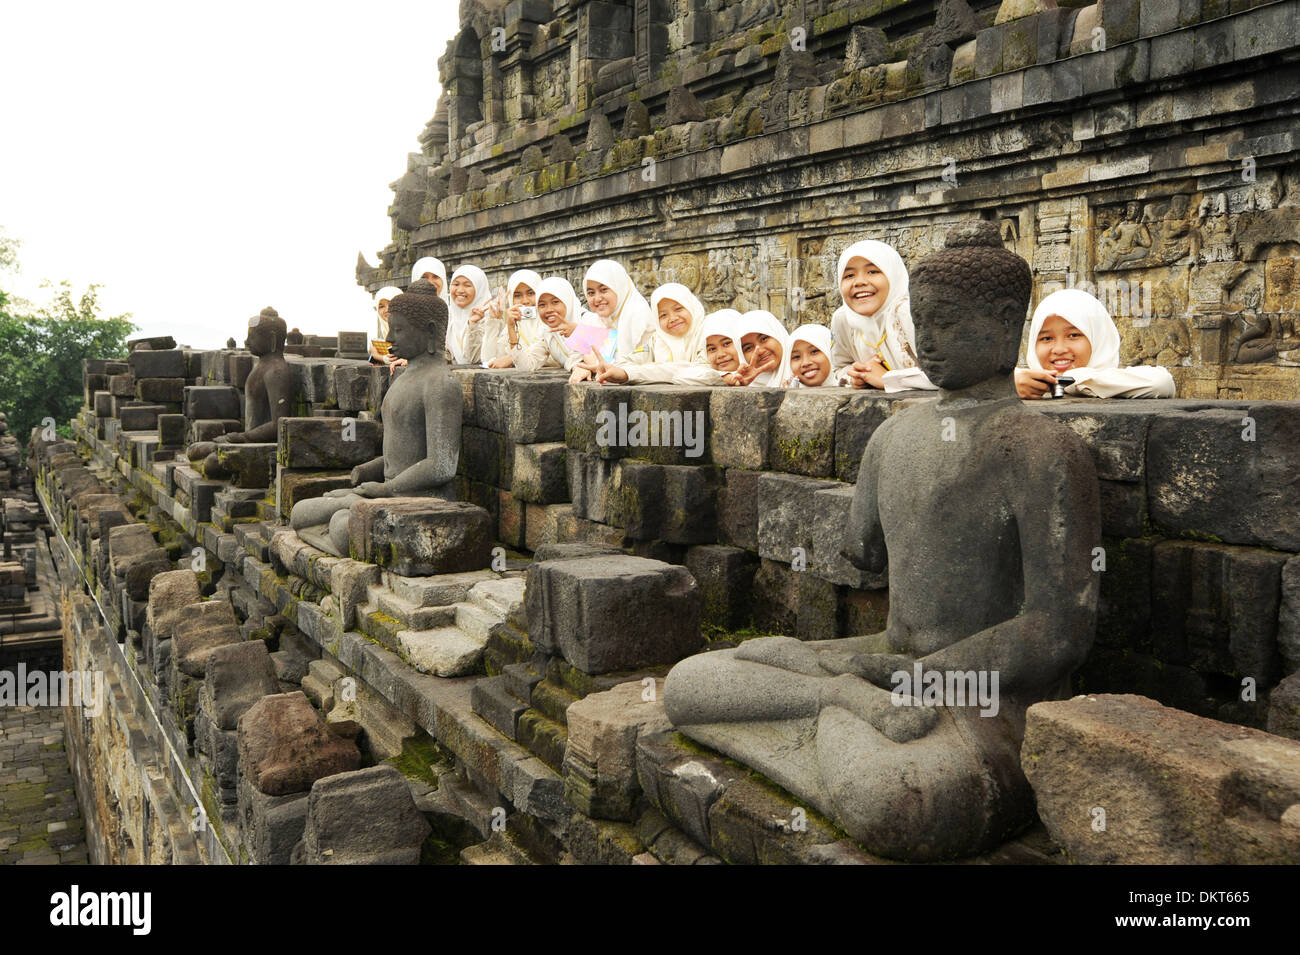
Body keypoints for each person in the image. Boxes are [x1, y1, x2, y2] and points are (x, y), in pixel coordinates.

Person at [289, 280, 461, 555]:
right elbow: (404, 449)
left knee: (340, 524)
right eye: (390, 327)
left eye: (399, 329)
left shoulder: (441, 384)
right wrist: (370, 469)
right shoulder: (404, 377)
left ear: (429, 331)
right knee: (302, 511)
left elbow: (441, 465)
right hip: (393, 491)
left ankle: (340, 531)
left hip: (426, 498)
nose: (390, 337)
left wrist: (387, 488)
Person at [1014, 288, 1176, 399]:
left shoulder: (1112, 382)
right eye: (1046, 338)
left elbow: (1161, 383)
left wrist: (1072, 381)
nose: (1059, 349)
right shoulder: (1021, 383)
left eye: (1073, 335)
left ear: (1099, 337)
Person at [830, 240, 935, 392]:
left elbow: (948, 376)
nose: (859, 282)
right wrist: (859, 375)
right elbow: (839, 370)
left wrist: (888, 379)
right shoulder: (843, 319)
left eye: (873, 272)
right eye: (849, 275)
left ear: (893, 275)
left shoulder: (909, 312)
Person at [592, 288, 732, 386]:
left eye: (678, 309)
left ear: (691, 306)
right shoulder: (656, 340)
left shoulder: (708, 332)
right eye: (663, 315)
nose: (672, 318)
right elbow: (625, 363)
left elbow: (696, 370)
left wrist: (641, 370)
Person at [568, 259, 655, 381]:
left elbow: (641, 361)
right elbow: (573, 356)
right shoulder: (591, 320)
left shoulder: (638, 316)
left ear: (618, 287)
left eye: (604, 290)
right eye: (591, 293)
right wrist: (579, 367)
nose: (597, 299)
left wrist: (595, 365)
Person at [512, 276, 602, 372]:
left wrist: (579, 332)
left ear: (567, 301)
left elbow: (613, 360)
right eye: (542, 305)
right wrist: (511, 328)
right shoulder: (548, 333)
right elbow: (525, 367)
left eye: (555, 302)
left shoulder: (592, 321)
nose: (549, 310)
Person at [484, 269, 542, 368]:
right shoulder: (513, 325)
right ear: (511, 299)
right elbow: (488, 359)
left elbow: (554, 354)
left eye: (531, 293)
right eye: (518, 295)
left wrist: (512, 358)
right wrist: (493, 321)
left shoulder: (550, 322)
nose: (525, 301)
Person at [445, 264, 493, 365]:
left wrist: (473, 324)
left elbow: (476, 359)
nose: (460, 290)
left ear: (479, 288)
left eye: (467, 285)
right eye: (456, 284)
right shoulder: (447, 317)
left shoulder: (492, 318)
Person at [732, 310, 791, 386]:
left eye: (764, 339)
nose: (759, 351)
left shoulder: (804, 373)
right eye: (748, 348)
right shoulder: (745, 383)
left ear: (779, 335)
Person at [369, 286, 402, 367]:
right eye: (381, 306)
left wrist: (377, 356)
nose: (387, 309)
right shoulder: (384, 330)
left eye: (391, 304)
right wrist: (380, 358)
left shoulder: (413, 328)